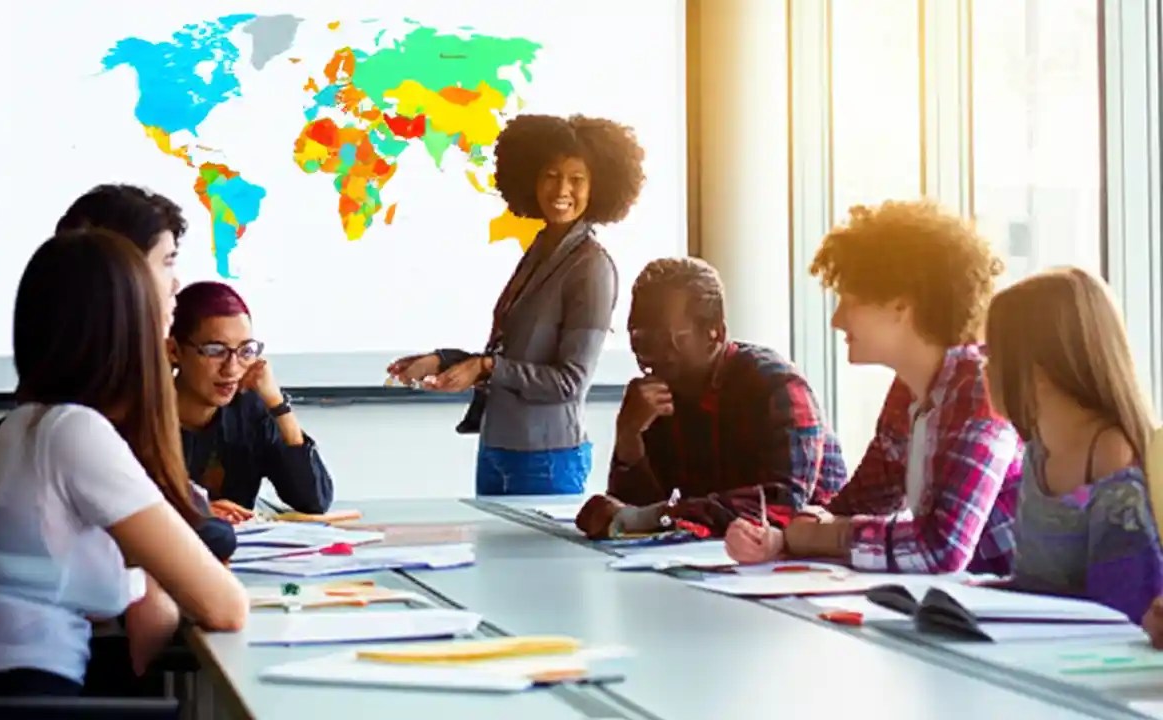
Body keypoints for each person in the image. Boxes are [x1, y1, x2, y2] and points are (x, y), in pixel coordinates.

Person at [0, 230, 247, 698]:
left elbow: (94, 587)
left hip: (7, 694)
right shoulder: (75, 433)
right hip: (36, 703)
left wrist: (149, 583)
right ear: (129, 331)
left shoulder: (28, 424)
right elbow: (226, 606)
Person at [0, 184, 237, 568]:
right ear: (121, 278)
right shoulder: (80, 429)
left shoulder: (39, 419)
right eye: (167, 262)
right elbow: (201, 550)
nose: (176, 283)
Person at [726, 199, 1024, 574]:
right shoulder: (910, 392)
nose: (836, 319)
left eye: (849, 301)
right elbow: (857, 506)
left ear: (901, 306)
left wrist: (817, 536)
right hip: (955, 611)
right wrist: (780, 539)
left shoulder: (979, 391)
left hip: (1019, 618)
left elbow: (940, 549)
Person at [387, 114, 646, 495]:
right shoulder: (541, 250)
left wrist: (487, 367)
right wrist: (444, 360)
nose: (562, 189)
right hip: (496, 447)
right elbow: (515, 351)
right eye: (550, 175)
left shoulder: (592, 267)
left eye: (577, 179)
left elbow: (569, 382)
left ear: (599, 187)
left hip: (546, 457)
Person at [574, 257, 848, 537]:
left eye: (667, 338)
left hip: (811, 557)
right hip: (715, 558)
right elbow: (632, 514)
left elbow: (783, 503)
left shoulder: (775, 385)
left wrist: (650, 517)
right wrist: (629, 437)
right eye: (640, 338)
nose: (650, 354)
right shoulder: (656, 397)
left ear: (715, 333)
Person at [986, 267, 1163, 622]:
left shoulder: (1111, 454)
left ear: (1040, 370)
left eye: (992, 354)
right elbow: (1035, 583)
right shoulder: (1037, 451)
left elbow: (1126, 603)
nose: (983, 368)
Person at [169, 281, 334, 519]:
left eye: (246, 350)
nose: (232, 369)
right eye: (216, 350)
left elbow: (313, 501)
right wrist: (197, 513)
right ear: (174, 351)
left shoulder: (250, 409)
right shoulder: (139, 416)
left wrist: (278, 405)